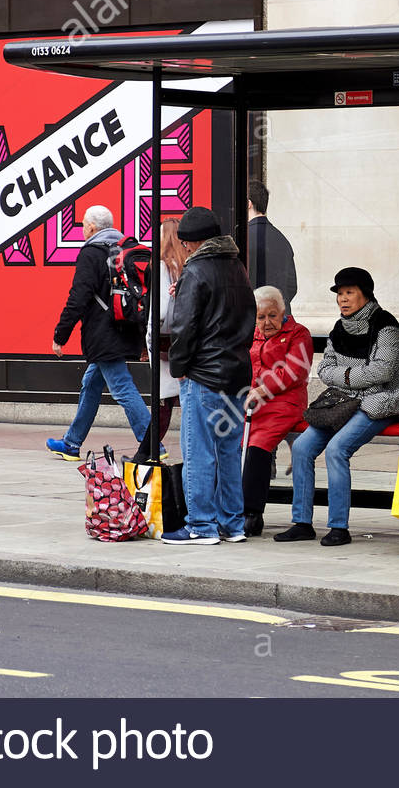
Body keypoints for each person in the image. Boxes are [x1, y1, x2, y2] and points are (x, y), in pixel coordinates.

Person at [274, 267, 399, 547]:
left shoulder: (385, 326)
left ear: (365, 294)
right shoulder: (339, 328)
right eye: (340, 293)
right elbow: (325, 370)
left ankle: (339, 527)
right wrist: (355, 377)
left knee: (338, 449)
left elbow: (384, 372)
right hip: (343, 402)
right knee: (302, 448)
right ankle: (302, 522)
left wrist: (348, 376)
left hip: (381, 401)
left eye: (349, 292)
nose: (343, 299)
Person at [163, 206, 257, 545]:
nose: (185, 249)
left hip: (203, 375)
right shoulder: (237, 268)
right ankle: (232, 524)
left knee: (199, 451)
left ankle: (200, 526)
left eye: (186, 245)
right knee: (230, 451)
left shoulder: (196, 270)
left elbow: (185, 328)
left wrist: (179, 368)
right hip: (237, 373)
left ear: (193, 243)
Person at [46, 205, 152, 458]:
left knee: (122, 387)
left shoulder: (91, 253)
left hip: (104, 335)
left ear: (91, 228)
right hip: (125, 329)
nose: (83, 230)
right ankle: (72, 443)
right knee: (91, 384)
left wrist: (61, 335)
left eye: (83, 225)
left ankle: (151, 443)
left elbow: (79, 296)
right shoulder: (123, 249)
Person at [242, 286, 314, 536]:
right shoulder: (252, 333)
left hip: (285, 402)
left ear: (283, 312)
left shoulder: (299, 334)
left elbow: (295, 371)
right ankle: (229, 508)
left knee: (257, 444)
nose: (266, 322)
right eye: (261, 317)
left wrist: (262, 391)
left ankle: (252, 513)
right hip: (252, 401)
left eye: (272, 315)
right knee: (232, 442)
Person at [132, 218, 187, 463]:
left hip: (165, 343)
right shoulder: (185, 265)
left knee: (163, 403)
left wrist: (151, 338)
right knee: (176, 401)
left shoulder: (163, 266)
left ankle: (145, 454)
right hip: (182, 342)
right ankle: (146, 452)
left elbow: (161, 310)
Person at [247, 179, 298, 310]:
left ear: (248, 204)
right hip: (281, 317)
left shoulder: (242, 238)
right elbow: (291, 286)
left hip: (255, 318)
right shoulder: (282, 239)